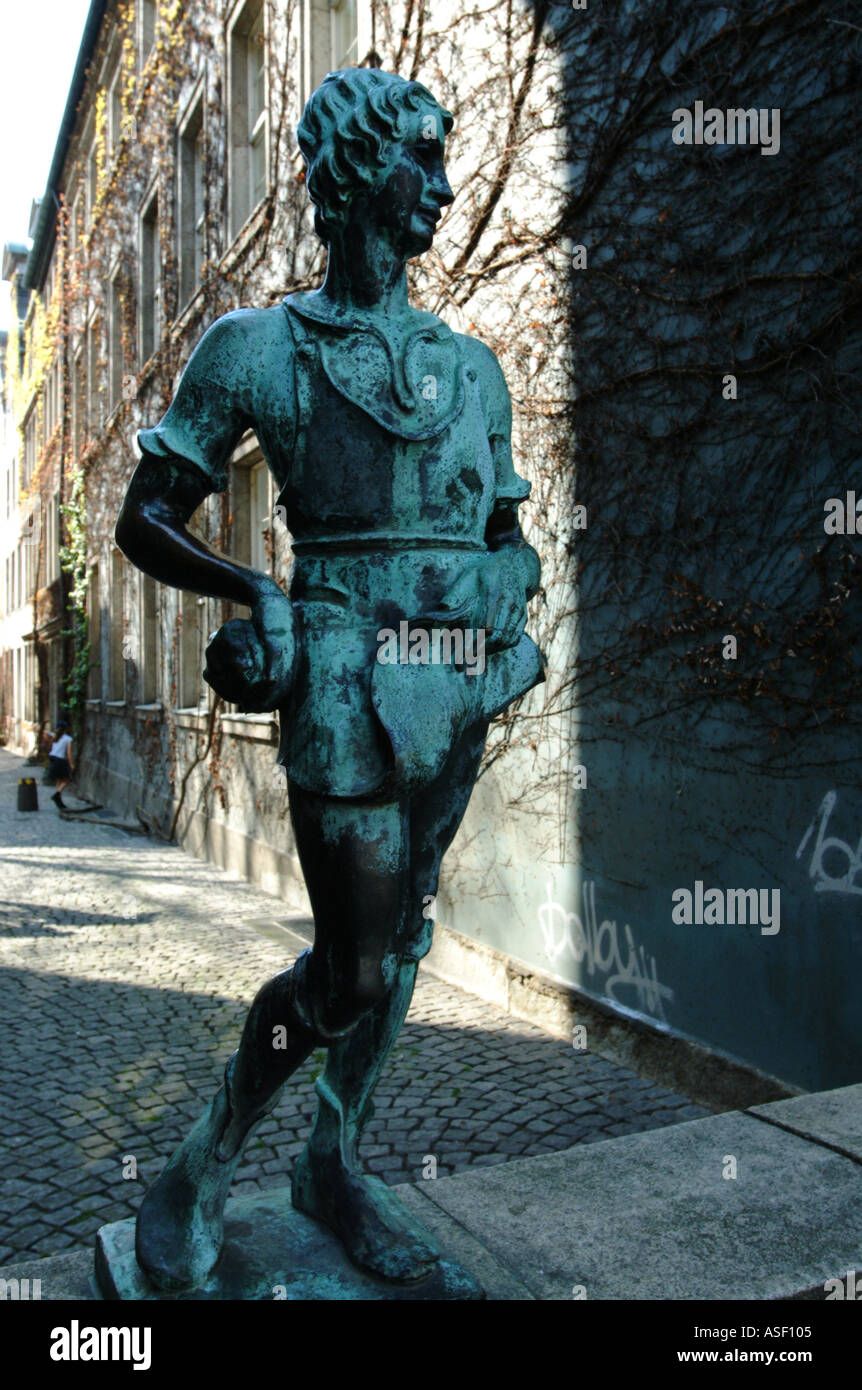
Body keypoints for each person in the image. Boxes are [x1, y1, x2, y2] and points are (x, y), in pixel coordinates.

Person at [115, 67, 543, 1293]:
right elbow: (151, 514)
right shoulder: (259, 349)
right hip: (343, 680)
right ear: (357, 171)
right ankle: (204, 1157)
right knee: (350, 964)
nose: (446, 190)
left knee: (402, 940)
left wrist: (510, 578)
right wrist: (256, 593)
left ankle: (334, 1161)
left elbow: (507, 535)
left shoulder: (473, 372)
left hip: (455, 680)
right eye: (422, 159)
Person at [48, 720, 74, 809]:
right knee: (67, 779)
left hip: (52, 758)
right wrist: (71, 764)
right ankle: (57, 795)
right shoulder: (68, 738)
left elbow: (53, 749)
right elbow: (69, 753)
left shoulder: (55, 737)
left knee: (59, 779)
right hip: (59, 760)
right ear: (66, 729)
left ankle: (59, 799)